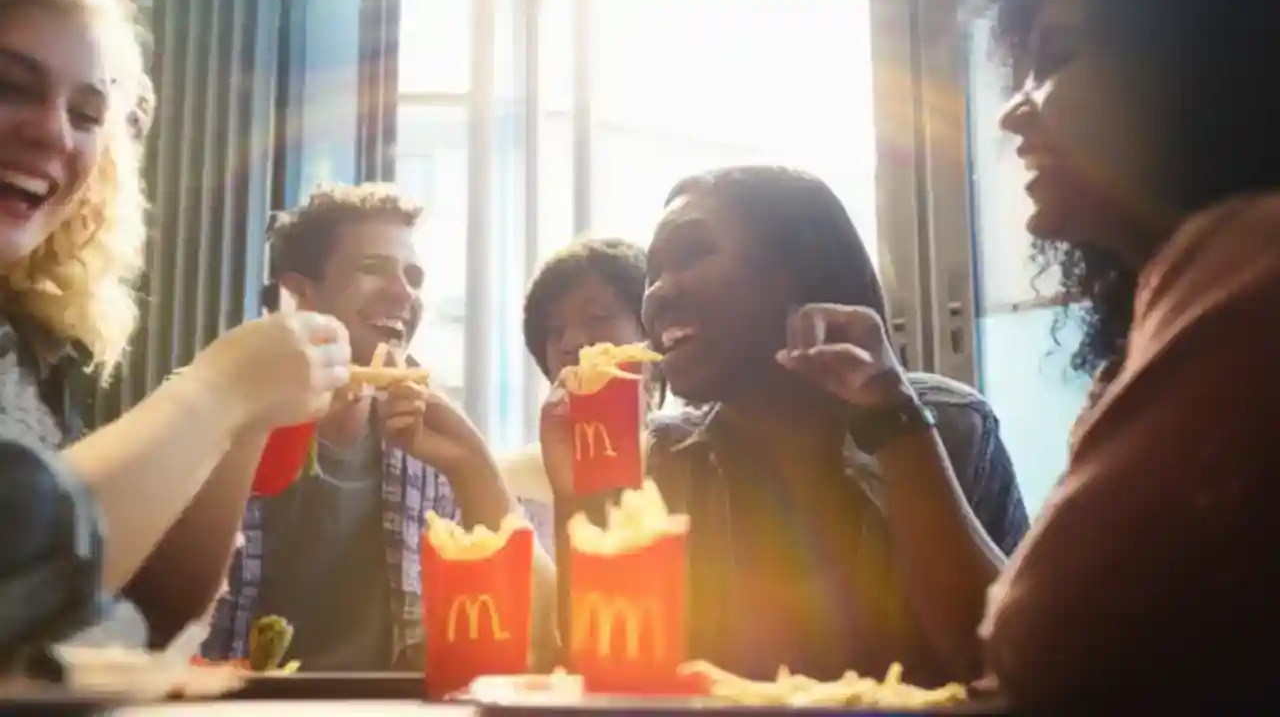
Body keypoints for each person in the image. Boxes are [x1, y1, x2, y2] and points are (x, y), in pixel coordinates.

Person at [553, 166, 1029, 685]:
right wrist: (580, 495)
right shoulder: (667, 462)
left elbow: (1009, 663)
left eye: (692, 254)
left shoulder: (950, 425)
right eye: (654, 272)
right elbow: (608, 679)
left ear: (797, 273)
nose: (659, 292)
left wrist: (896, 419)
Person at [0, 0, 348, 647]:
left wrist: (245, 423)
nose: (54, 134)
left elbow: (145, 607)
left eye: (86, 114)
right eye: (11, 87)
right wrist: (217, 391)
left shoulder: (25, 350)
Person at [975, 0, 1280, 708]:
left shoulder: (1253, 265)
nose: (1013, 113)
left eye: (1055, 60)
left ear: (1199, 66)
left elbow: (1046, 641)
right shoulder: (1153, 327)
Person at [201, 183, 557, 671]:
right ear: (297, 296)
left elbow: (547, 632)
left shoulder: (428, 444)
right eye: (373, 270)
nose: (403, 293)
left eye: (414, 277)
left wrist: (474, 466)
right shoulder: (213, 416)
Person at [519, 237, 648, 644]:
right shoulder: (509, 481)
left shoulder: (695, 459)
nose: (572, 342)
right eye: (554, 331)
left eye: (598, 318)